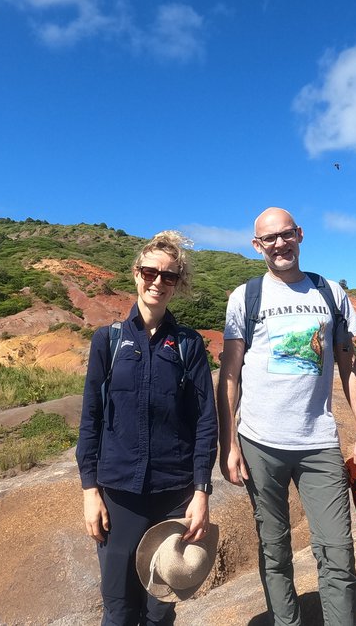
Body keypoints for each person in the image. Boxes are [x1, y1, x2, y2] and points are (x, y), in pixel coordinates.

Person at [217, 207, 356, 626]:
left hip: (318, 441)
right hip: (258, 441)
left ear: (300, 235)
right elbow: (229, 375)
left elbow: (350, 366)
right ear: (257, 246)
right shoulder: (245, 297)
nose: (279, 244)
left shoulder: (330, 293)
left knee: (337, 549)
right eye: (269, 239)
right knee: (274, 547)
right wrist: (228, 444)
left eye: (286, 234)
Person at [76, 231, 218, 626]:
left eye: (168, 276)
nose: (157, 281)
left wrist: (201, 491)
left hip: (173, 496)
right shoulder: (108, 340)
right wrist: (91, 491)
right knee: (119, 608)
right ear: (136, 274)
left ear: (178, 283)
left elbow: (206, 422)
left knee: (160, 608)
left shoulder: (188, 345)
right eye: (149, 272)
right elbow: (91, 418)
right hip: (119, 494)